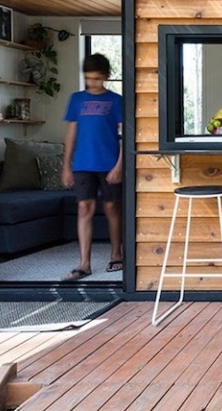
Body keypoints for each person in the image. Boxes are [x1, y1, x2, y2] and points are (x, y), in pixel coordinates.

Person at [61, 53, 123, 281]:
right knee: (83, 208)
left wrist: (119, 166)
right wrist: (66, 166)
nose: (92, 83)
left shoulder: (116, 101)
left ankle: (116, 254)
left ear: (106, 76)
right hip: (83, 164)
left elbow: (125, 135)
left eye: (96, 78)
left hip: (109, 164)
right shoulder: (76, 99)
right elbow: (71, 134)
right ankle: (84, 264)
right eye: (88, 78)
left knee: (111, 208)